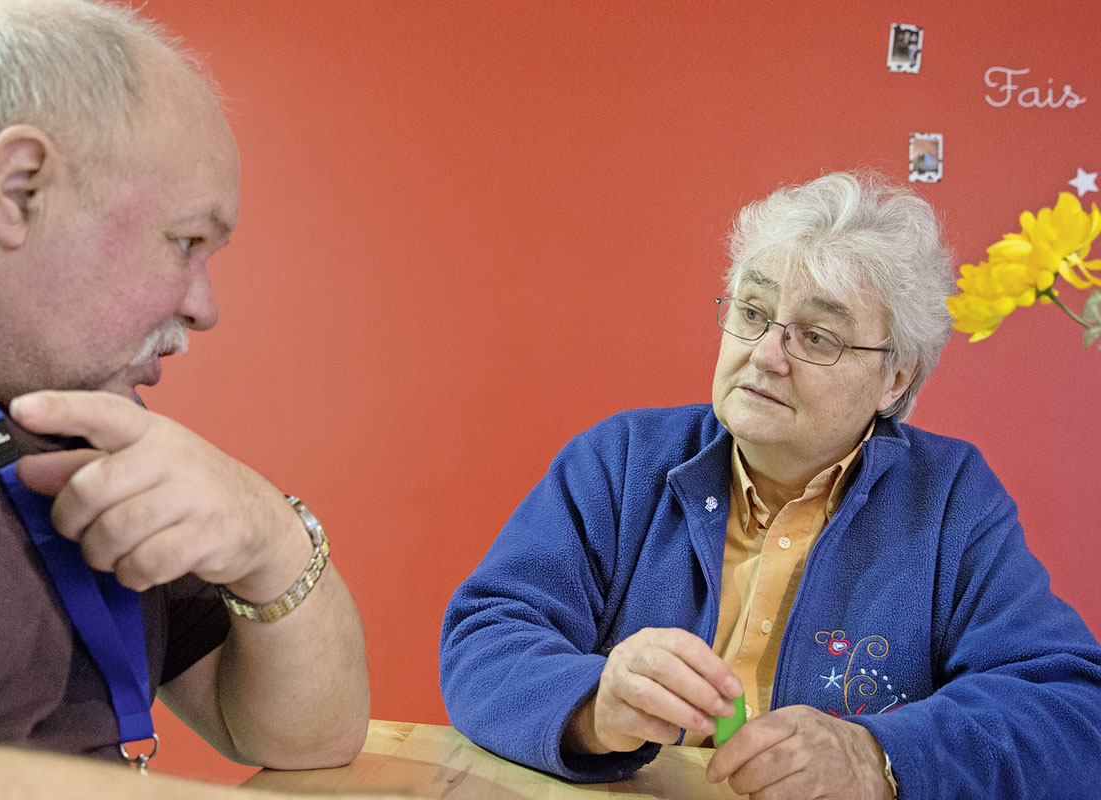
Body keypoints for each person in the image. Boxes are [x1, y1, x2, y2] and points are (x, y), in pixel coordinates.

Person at [440, 172, 1101, 799]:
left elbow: (1071, 710)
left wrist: (876, 758)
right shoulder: (621, 458)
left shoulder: (952, 498)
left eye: (816, 336)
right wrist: (594, 703)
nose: (765, 353)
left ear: (894, 379)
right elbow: (486, 634)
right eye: (752, 311)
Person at [0, 1, 370, 796]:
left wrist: (269, 538)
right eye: (186, 241)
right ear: (18, 190)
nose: (206, 307)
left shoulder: (52, 405)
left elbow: (310, 736)